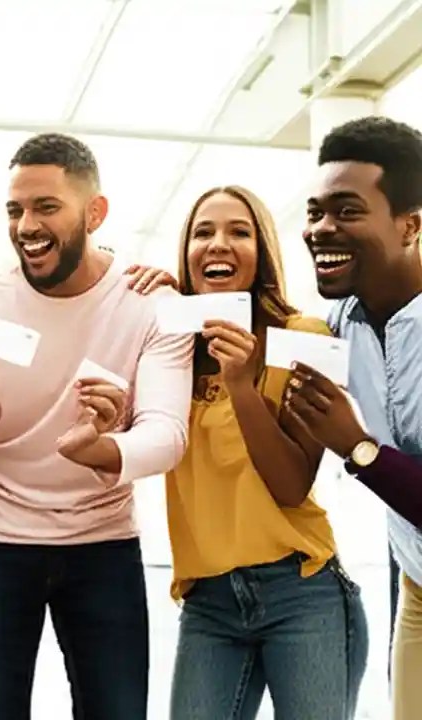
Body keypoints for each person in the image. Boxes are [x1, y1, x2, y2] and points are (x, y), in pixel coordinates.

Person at [0, 132, 193, 719]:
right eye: (15, 210)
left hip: (103, 546)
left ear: (95, 213)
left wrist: (101, 449)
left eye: (46, 207)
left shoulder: (150, 304)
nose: (26, 226)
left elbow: (167, 435)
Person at [126, 185, 367, 719]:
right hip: (208, 601)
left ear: (262, 253)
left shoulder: (302, 334)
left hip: (302, 591)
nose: (218, 244)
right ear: (184, 254)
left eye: (239, 232)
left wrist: (241, 384)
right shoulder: (171, 347)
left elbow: (291, 484)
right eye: (202, 232)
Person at [281, 115, 422, 719]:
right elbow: (259, 329)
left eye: (346, 211)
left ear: (410, 224)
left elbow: (358, 448)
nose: (321, 229)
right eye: (314, 212)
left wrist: (357, 448)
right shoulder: (342, 324)